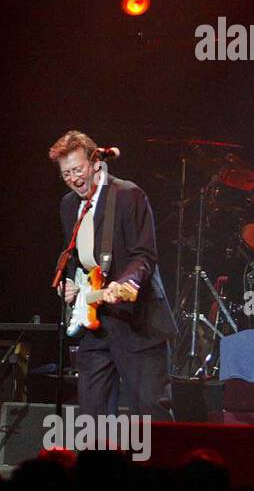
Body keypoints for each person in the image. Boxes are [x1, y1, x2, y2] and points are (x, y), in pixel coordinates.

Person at [51, 130, 176, 419]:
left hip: (137, 324)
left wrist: (125, 282)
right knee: (91, 415)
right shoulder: (69, 204)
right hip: (96, 325)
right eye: (66, 173)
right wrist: (69, 283)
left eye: (77, 169)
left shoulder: (127, 194)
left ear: (95, 163)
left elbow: (144, 254)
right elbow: (77, 259)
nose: (73, 178)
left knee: (149, 413)